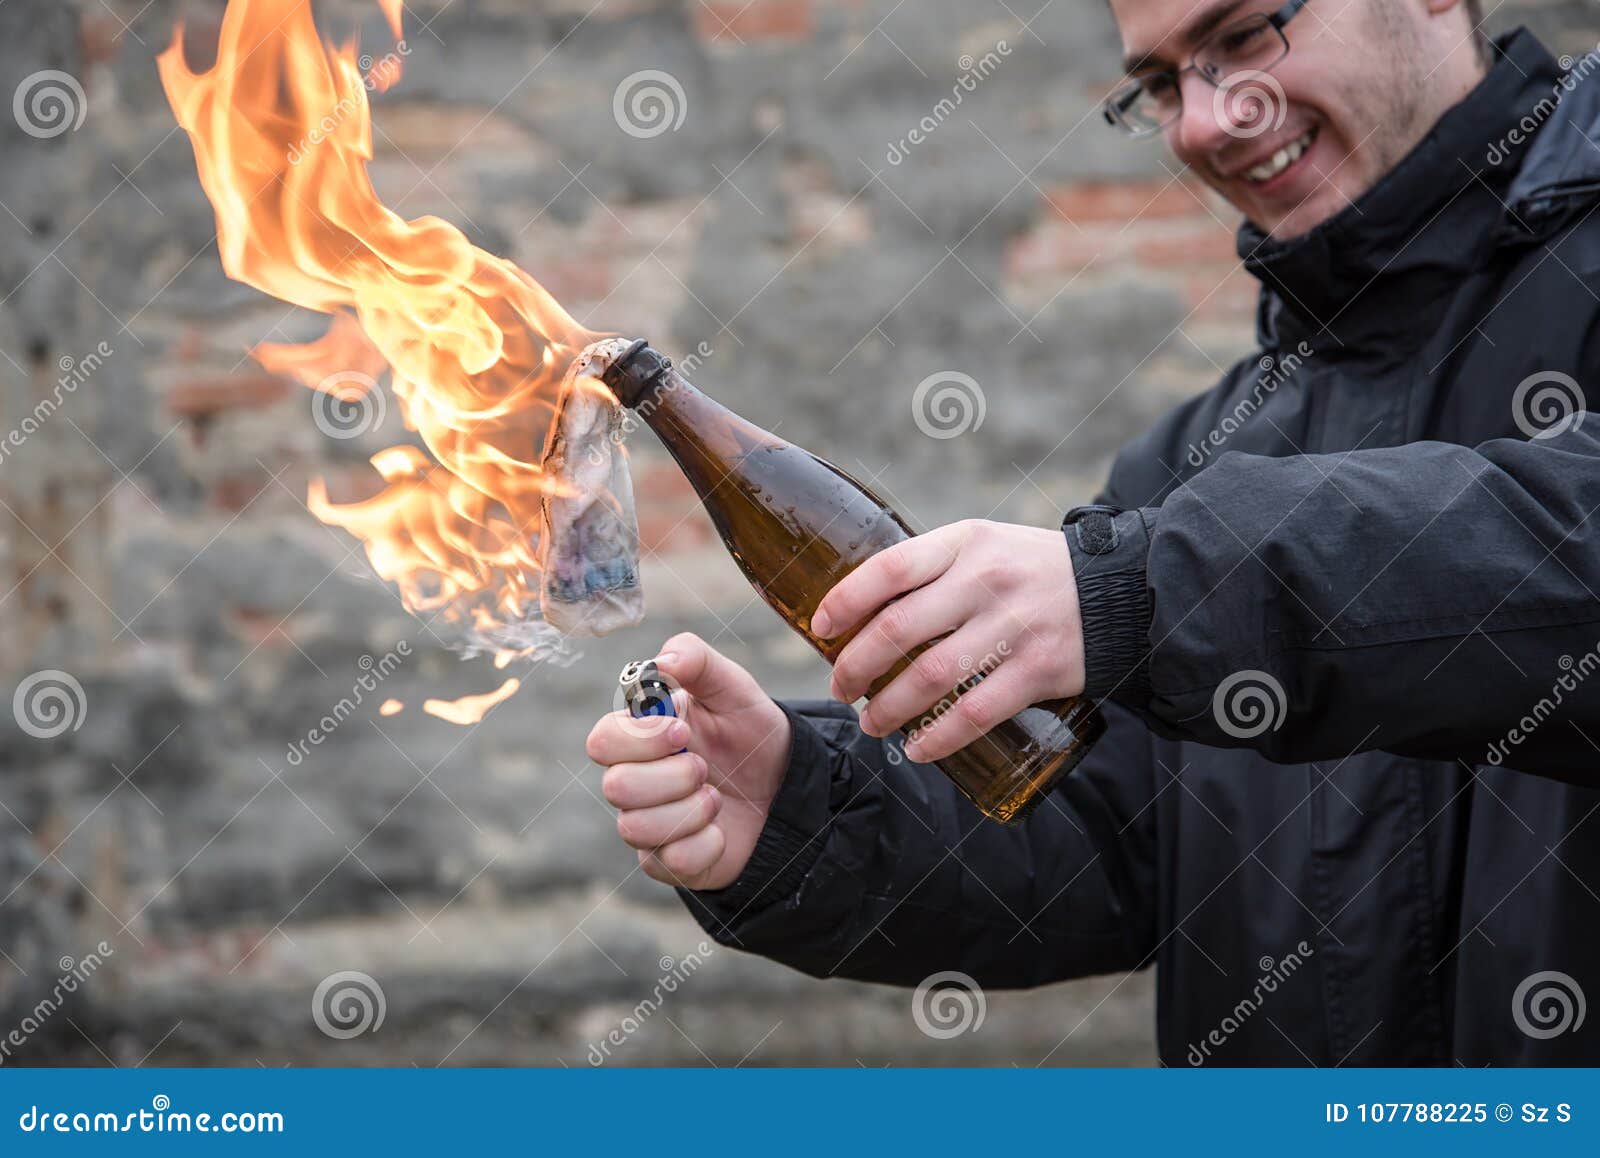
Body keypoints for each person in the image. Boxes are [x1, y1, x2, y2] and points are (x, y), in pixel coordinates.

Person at [586, 0, 1600, 1065]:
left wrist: (1157, 589)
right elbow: (1105, 846)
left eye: (1248, 33)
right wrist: (802, 810)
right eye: (1161, 84)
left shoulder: (1173, 539)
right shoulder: (1196, 461)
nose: (1207, 121)